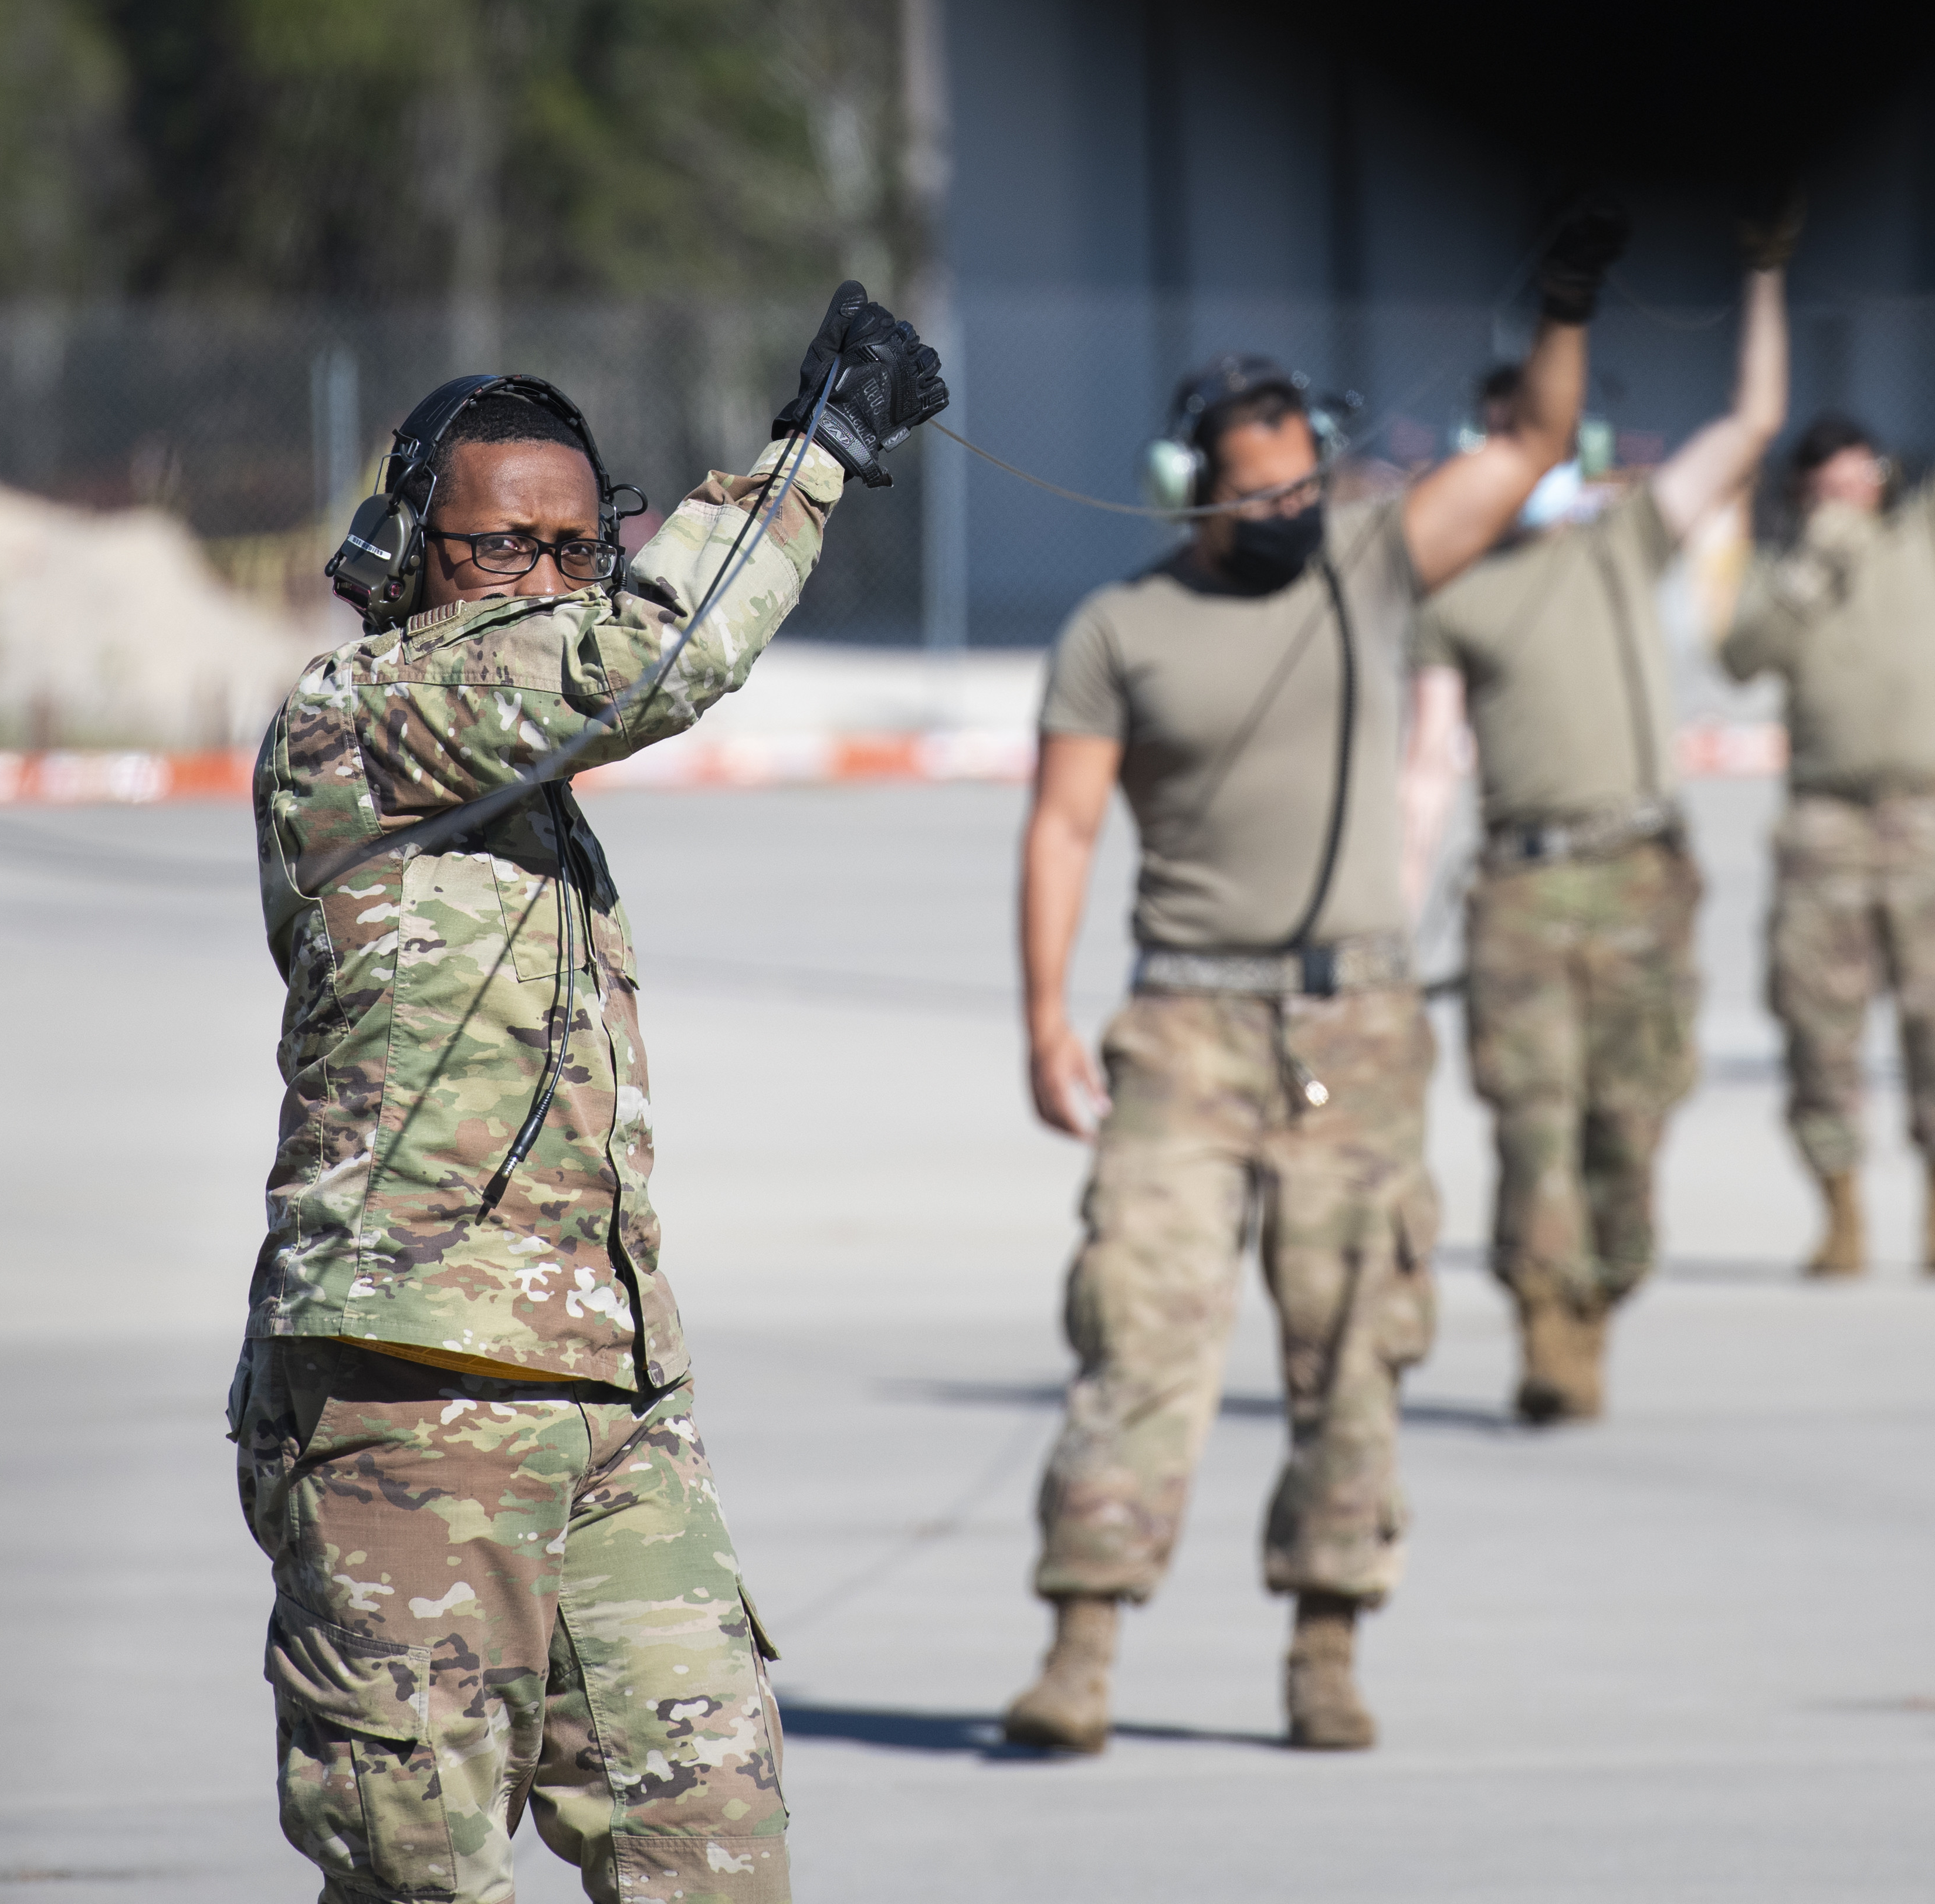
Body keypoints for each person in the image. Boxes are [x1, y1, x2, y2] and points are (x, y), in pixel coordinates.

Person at [231, 284, 941, 1904]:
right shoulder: (360, 722)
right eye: (499, 548)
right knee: (419, 1867)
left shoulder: (528, 784)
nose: (545, 581)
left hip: (612, 1383)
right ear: (402, 554)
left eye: (574, 547)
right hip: (411, 1378)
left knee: (712, 1838)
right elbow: (646, 657)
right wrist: (811, 452)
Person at [1002, 201, 1629, 1756]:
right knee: (1140, 1325)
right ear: (1187, 487)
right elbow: (1064, 825)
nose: (1284, 502)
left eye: (1302, 475)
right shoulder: (1118, 627)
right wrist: (1041, 1013)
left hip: (1356, 1019)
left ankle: (1325, 1644)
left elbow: (1537, 438)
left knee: (1354, 1338)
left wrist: (1559, 298)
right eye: (1252, 481)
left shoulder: (1373, 561)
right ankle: (1082, 1642)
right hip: (1185, 1018)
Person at [1403, 223, 1788, 1419]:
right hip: (1519, 891)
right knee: (1531, 1127)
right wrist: (1387, 913)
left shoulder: (1624, 544)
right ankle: (1541, 1329)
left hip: (1640, 878)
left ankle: (1600, 1292)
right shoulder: (1450, 594)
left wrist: (1762, 268)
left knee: (1630, 1131)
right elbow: (1425, 763)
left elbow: (1753, 423)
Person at [1718, 238, 1935, 1279]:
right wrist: (1807, 572)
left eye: (1862, 464)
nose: (1850, 481)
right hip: (1825, 825)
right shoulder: (1786, 567)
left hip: (1923, 816)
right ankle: (1840, 1209)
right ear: (1805, 486)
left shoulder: (1922, 538)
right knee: (1819, 1032)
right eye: (1829, 469)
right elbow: (1739, 657)